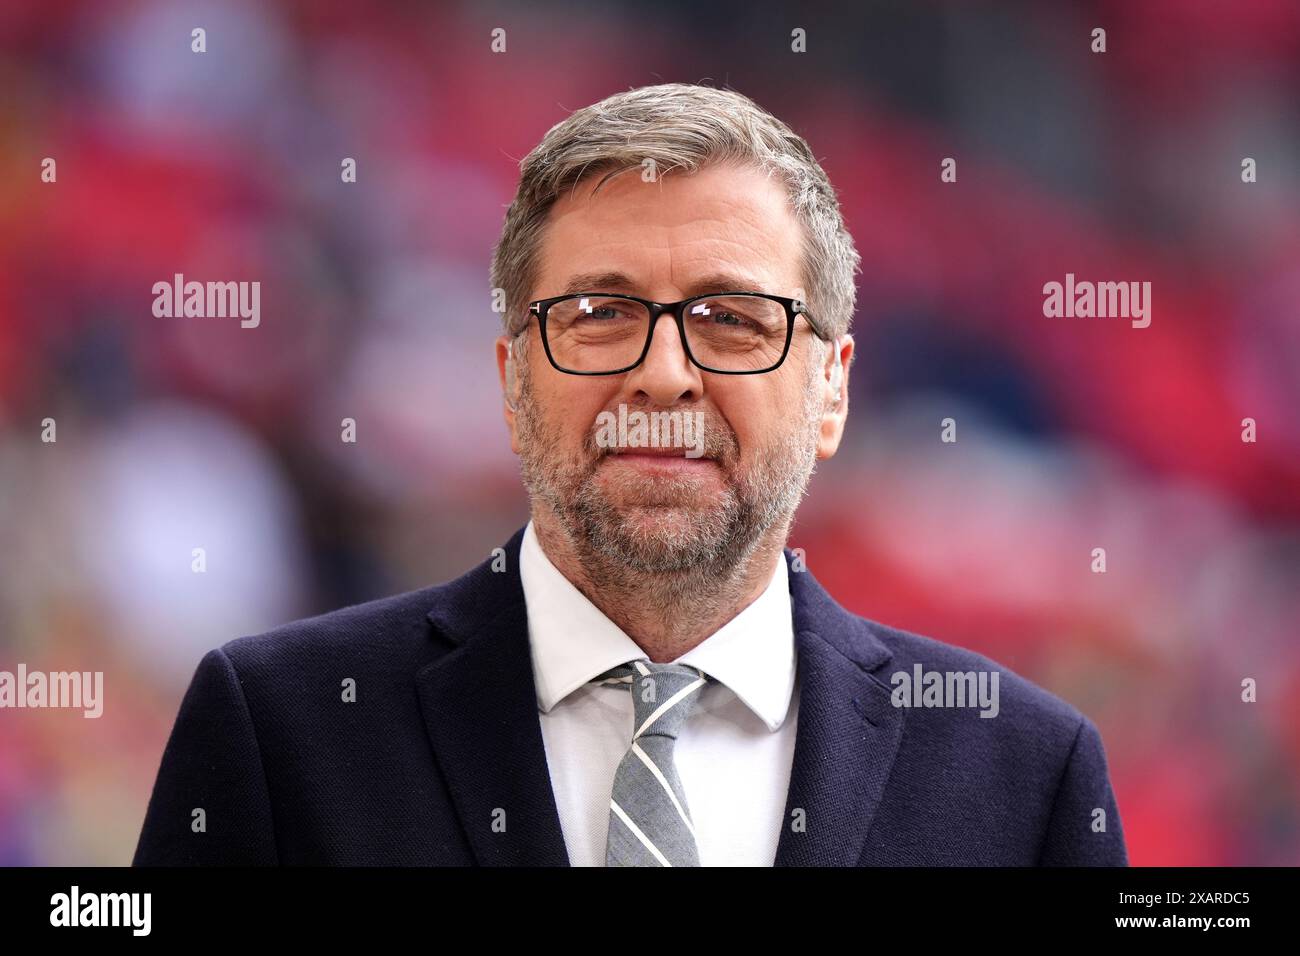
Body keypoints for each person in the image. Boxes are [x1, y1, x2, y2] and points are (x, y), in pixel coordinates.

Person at [133, 83, 1127, 866]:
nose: (660, 372)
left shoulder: (1024, 775)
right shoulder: (278, 730)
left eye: (732, 319)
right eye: (598, 314)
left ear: (831, 391)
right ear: (513, 379)